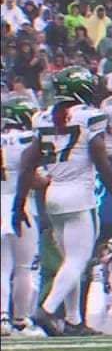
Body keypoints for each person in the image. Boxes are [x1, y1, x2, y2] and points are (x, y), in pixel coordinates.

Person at [15, 67, 112, 336]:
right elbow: (102, 162)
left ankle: (73, 320)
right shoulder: (89, 117)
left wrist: (19, 202)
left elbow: (28, 164)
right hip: (79, 194)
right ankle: (46, 309)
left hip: (53, 193)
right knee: (78, 260)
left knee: (70, 261)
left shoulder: (42, 117)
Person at [1, 99, 40, 335]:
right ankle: (20, 320)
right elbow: (38, 179)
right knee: (24, 267)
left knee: (2, 268)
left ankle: (2, 319)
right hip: (20, 205)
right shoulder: (27, 140)